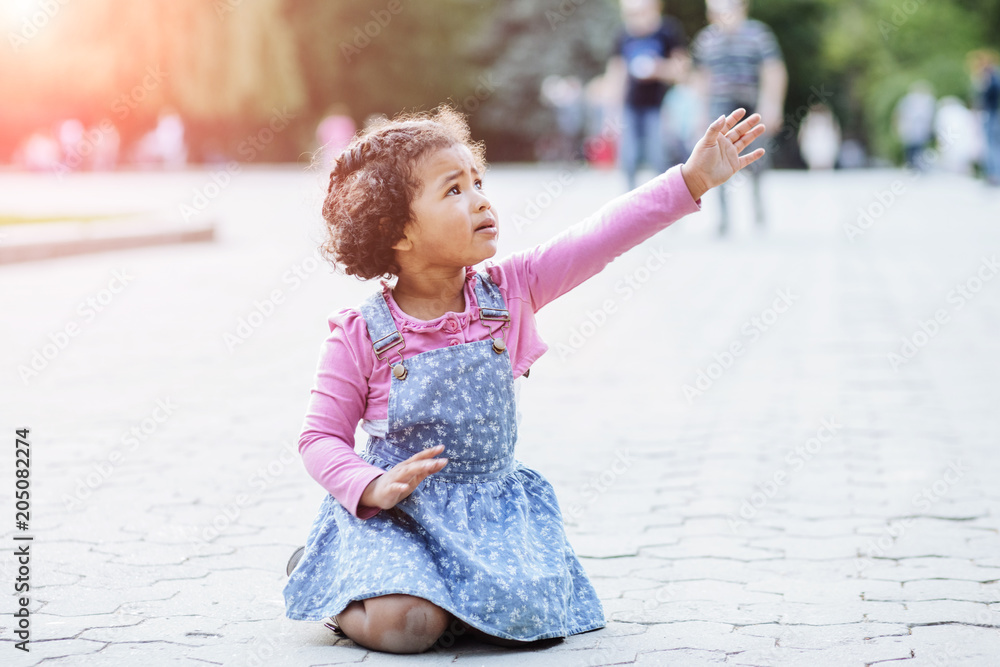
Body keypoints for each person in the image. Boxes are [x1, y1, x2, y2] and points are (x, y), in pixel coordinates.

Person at [282, 104, 766, 654]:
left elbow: (601, 236)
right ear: (397, 230)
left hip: (489, 512)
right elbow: (318, 439)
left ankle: (454, 603)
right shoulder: (360, 333)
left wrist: (692, 179)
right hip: (398, 519)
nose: (482, 199)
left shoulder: (511, 290)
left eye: (478, 181)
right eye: (453, 191)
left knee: (530, 618)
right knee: (406, 628)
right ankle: (333, 577)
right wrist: (370, 485)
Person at [690, 0, 787, 235]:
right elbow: (701, 79)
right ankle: (724, 218)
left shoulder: (758, 34)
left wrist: (772, 105)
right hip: (719, 109)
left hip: (750, 107)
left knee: (756, 160)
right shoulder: (706, 40)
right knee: (717, 160)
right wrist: (700, 114)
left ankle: (758, 209)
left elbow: (774, 70)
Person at [604, 0, 688, 191]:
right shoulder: (623, 34)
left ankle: (666, 201)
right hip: (630, 106)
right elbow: (617, 73)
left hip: (660, 105)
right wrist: (611, 110)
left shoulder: (668, 31)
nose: (634, 19)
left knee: (659, 156)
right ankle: (629, 206)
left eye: (638, 12)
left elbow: (682, 70)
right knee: (628, 158)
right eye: (629, 14)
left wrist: (657, 69)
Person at [969, 50, 1000, 186]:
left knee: (991, 144)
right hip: (990, 113)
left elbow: (986, 95)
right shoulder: (992, 76)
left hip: (991, 113)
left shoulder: (991, 77)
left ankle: (994, 174)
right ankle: (991, 173)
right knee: (990, 144)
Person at [893, 81, 937, 171]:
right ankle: (912, 165)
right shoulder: (908, 101)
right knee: (912, 148)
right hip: (911, 128)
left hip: (918, 129)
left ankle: (915, 165)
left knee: (918, 147)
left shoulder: (926, 101)